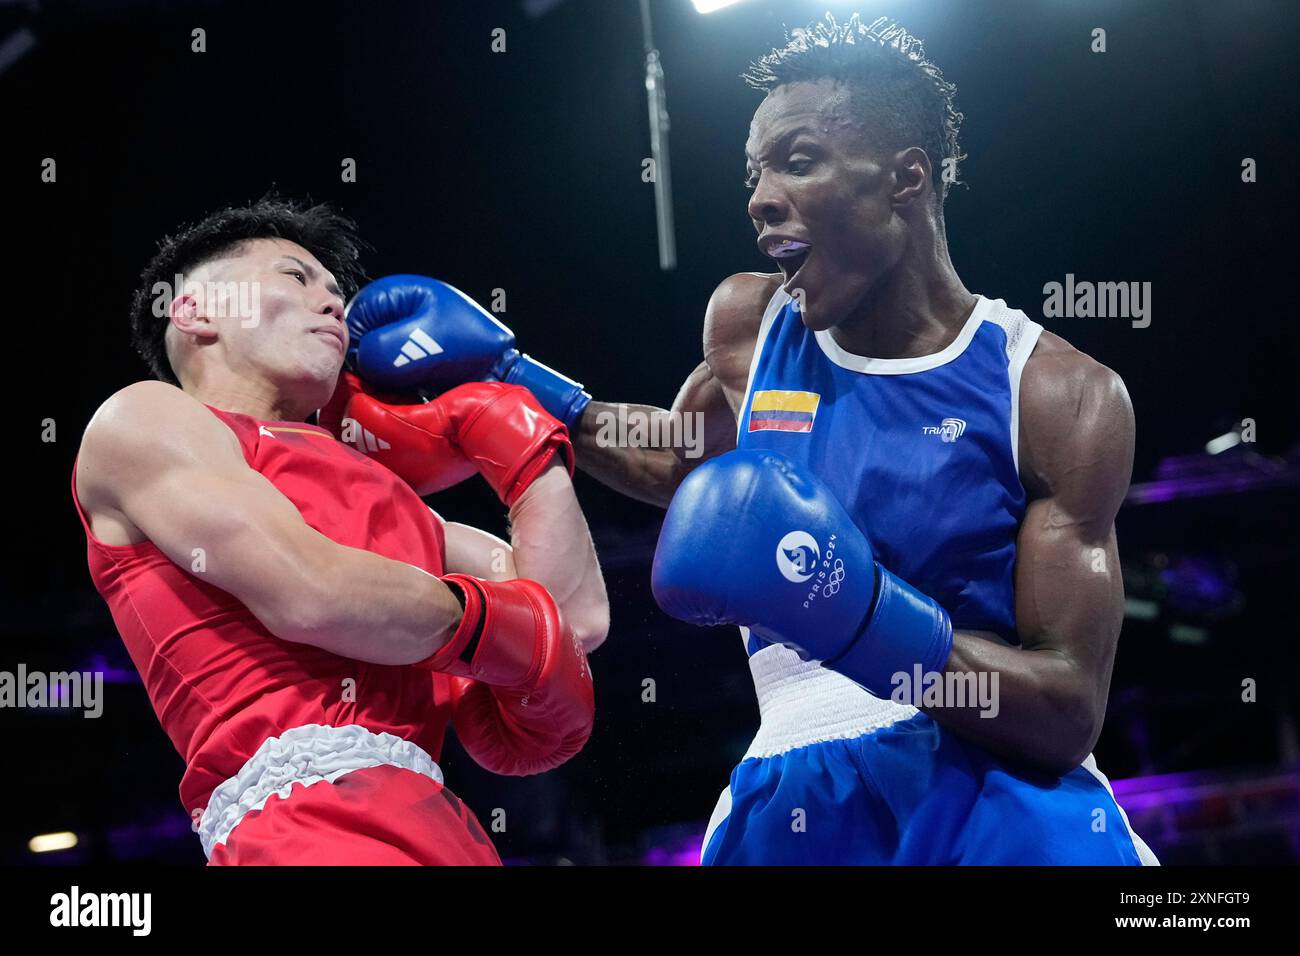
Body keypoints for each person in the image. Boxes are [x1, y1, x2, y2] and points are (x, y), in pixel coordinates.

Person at [367, 14, 1157, 864]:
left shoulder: (1054, 394)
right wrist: (513, 374)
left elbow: (1068, 710)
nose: (758, 198)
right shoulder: (753, 325)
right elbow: (680, 460)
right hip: (793, 789)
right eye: (755, 172)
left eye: (799, 160)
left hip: (994, 793)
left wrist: (860, 617)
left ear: (905, 178)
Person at [72, 197, 609, 865]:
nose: (334, 306)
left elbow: (571, 624)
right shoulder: (144, 418)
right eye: (296, 278)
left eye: (337, 293)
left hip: (446, 827)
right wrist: (497, 629)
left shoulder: (400, 504)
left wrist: (523, 443)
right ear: (193, 311)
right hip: (304, 825)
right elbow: (311, 592)